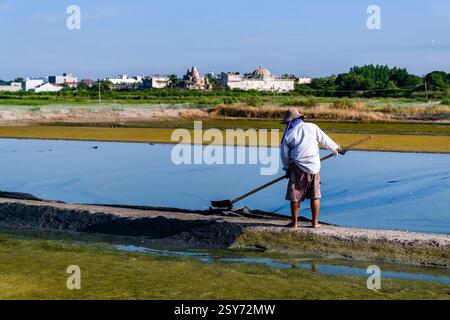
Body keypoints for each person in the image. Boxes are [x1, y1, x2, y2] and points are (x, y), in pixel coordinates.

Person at [280, 108, 346, 229]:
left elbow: (284, 155)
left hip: (298, 166)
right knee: (315, 195)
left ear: (290, 121)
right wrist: (337, 149)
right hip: (314, 166)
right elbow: (326, 141)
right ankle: (314, 223)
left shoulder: (289, 133)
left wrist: (287, 168)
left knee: (295, 196)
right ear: (300, 118)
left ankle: (294, 223)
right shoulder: (312, 127)